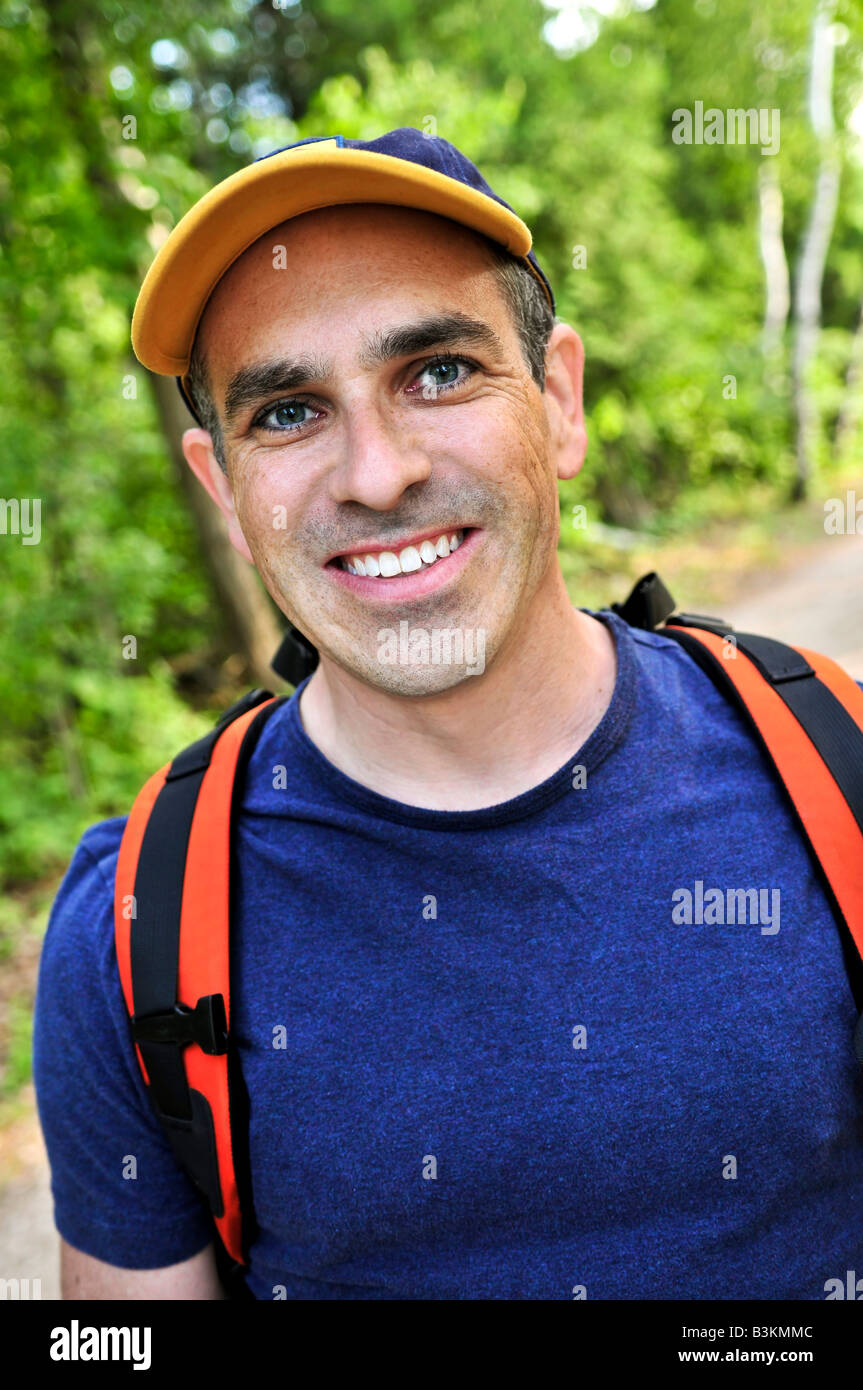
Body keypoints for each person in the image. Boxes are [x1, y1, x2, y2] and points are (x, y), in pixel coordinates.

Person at [33, 128, 863, 1301]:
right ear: (222, 488)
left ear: (558, 401)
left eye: (435, 372)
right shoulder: (132, 929)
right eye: (285, 411)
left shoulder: (840, 773)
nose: (375, 474)